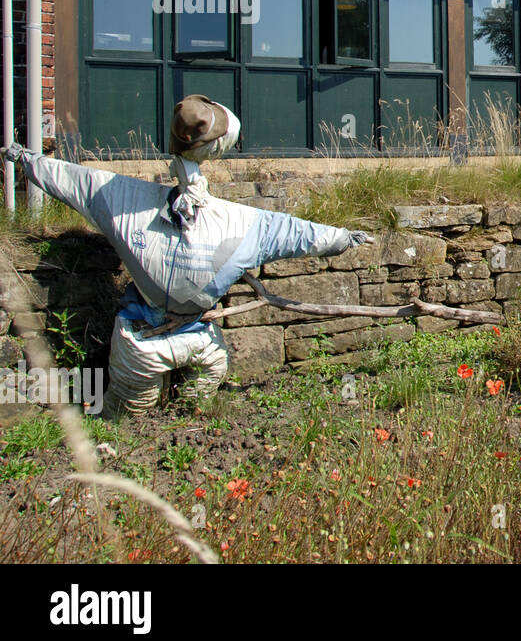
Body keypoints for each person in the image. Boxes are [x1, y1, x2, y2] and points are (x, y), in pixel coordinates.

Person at [4, 98, 372, 416]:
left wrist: (27, 160)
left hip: (156, 342)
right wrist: (343, 238)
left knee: (143, 415)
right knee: (160, 409)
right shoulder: (241, 223)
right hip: (175, 342)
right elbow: (295, 233)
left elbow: (73, 180)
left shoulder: (123, 200)